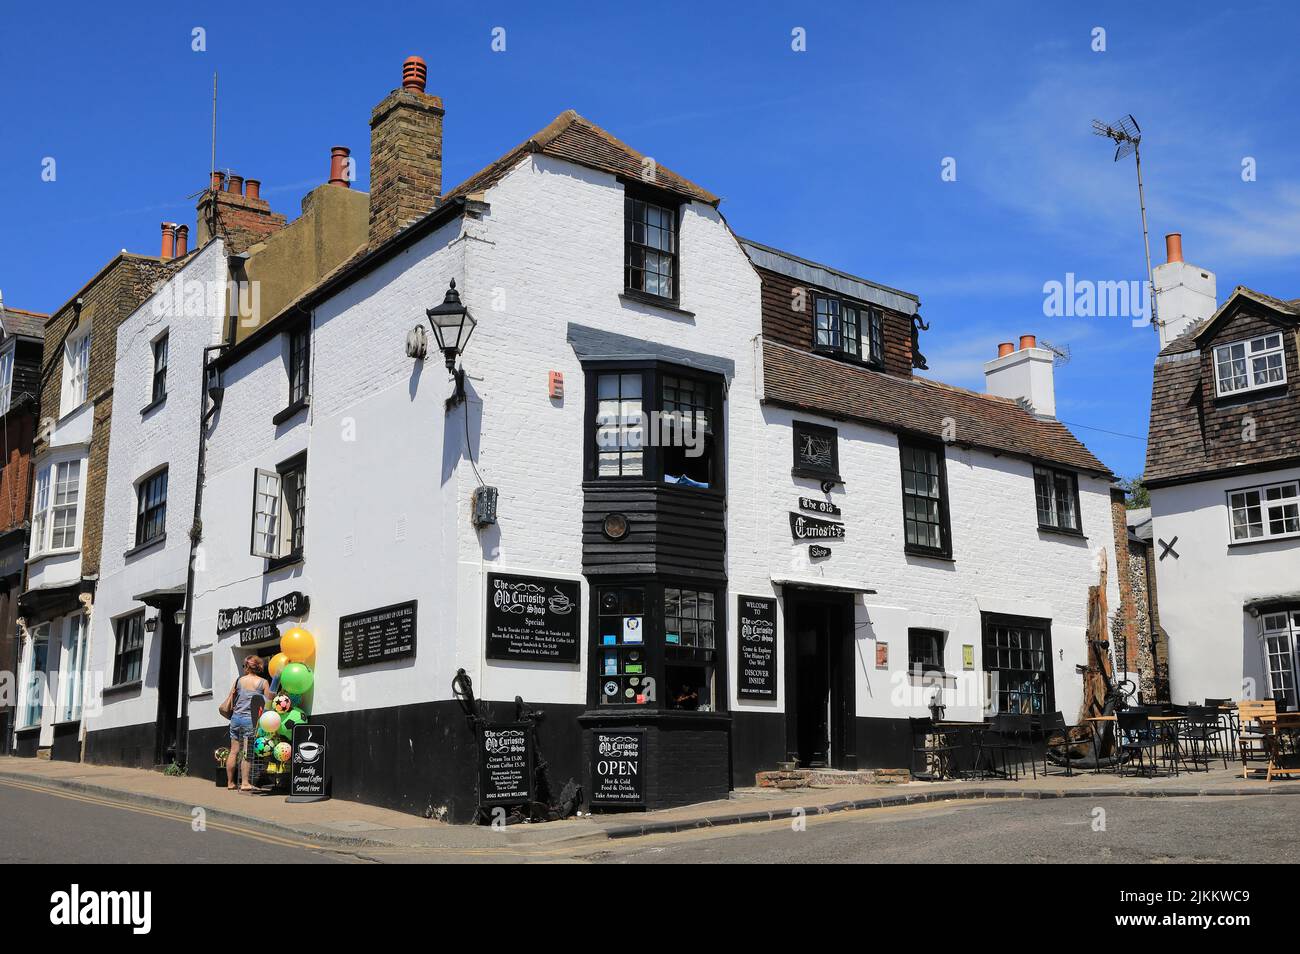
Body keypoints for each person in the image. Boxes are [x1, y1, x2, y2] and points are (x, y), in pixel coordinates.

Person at [227, 655, 271, 791]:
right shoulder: (263, 682)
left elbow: (231, 697)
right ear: (259, 667)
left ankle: (230, 783)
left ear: (247, 666)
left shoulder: (238, 681)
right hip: (249, 720)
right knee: (247, 752)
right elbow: (268, 702)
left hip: (235, 719)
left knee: (234, 751)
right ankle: (245, 783)